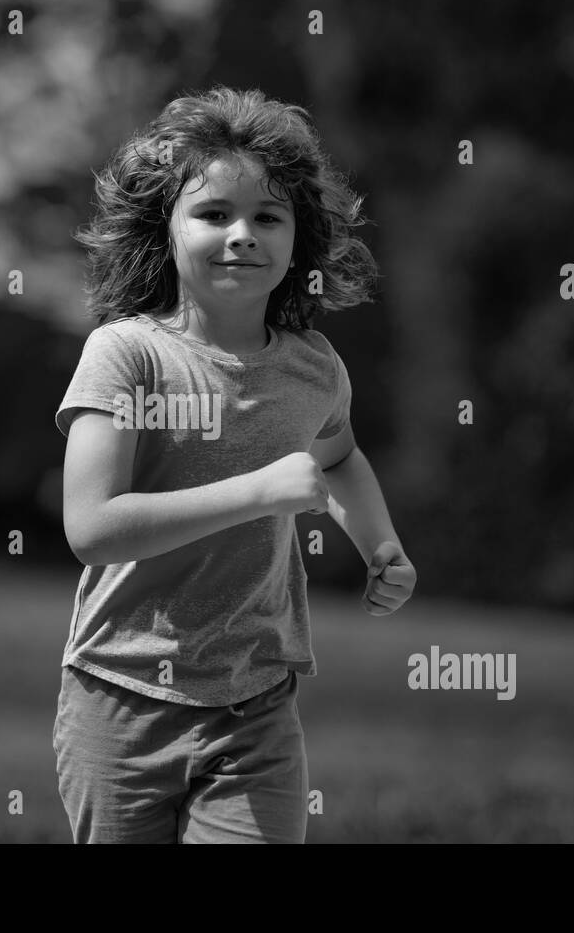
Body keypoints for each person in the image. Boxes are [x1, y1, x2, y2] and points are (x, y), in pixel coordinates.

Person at [52, 86, 417, 843]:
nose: (242, 234)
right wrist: (256, 491)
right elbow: (92, 526)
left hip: (256, 706)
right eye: (214, 213)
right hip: (120, 702)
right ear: (168, 227)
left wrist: (381, 544)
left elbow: (340, 458)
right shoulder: (126, 355)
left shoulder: (314, 368)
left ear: (298, 239)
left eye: (267, 217)